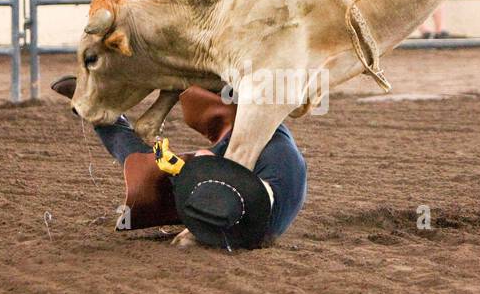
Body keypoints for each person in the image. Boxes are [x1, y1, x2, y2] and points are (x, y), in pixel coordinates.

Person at [52, 79, 307, 250]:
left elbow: (206, 160)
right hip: (255, 212)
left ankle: (96, 110)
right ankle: (98, 112)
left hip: (246, 205)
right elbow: (213, 162)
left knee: (149, 171)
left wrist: (178, 170)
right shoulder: (270, 141)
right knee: (160, 171)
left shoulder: (258, 137)